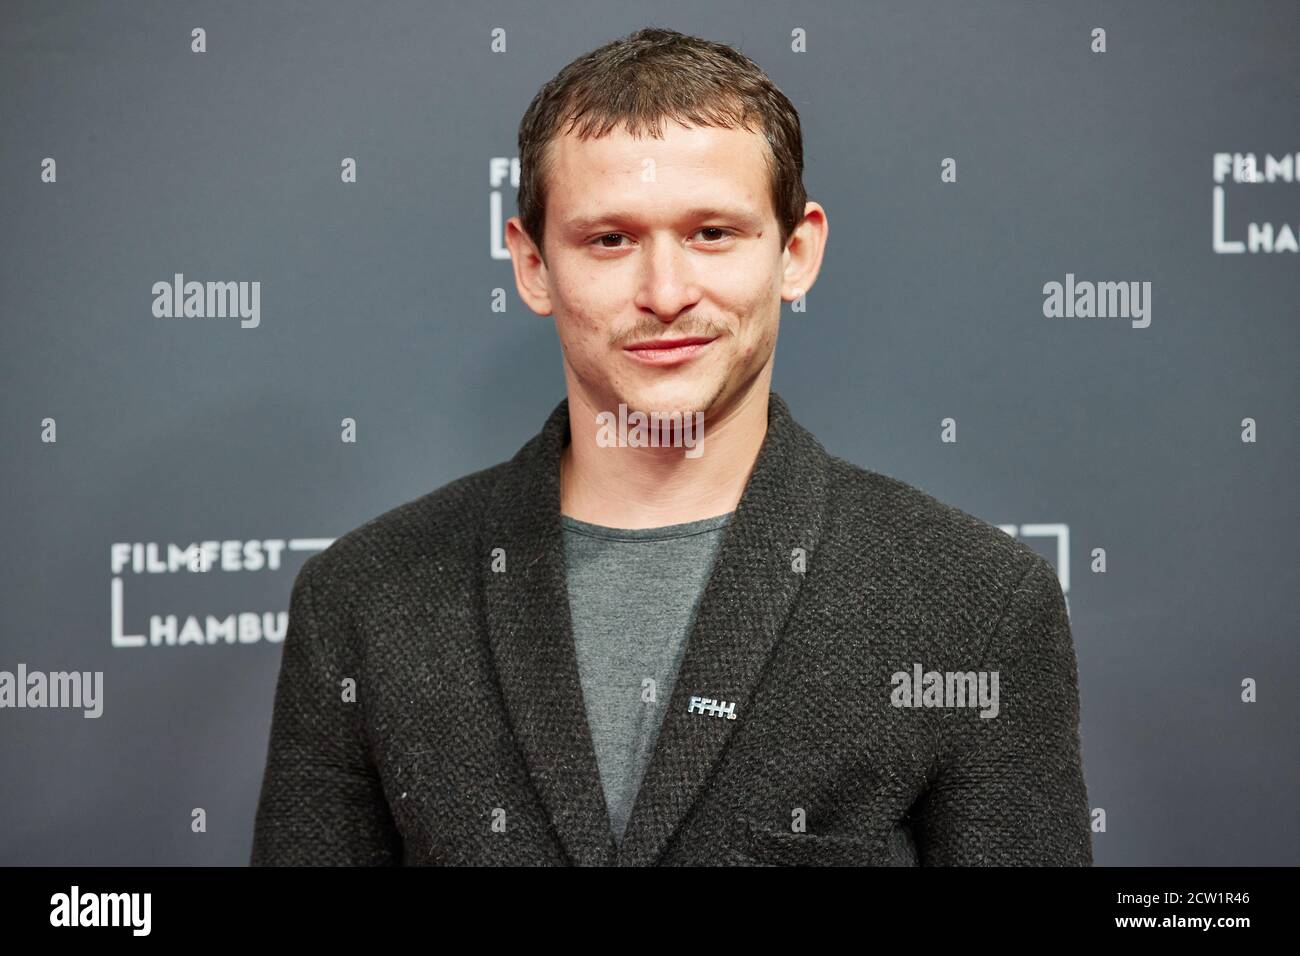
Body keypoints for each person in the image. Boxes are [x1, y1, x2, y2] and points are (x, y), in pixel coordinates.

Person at [250, 26, 1091, 866]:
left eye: (712, 234)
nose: (665, 293)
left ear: (796, 254)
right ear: (533, 265)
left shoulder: (973, 602)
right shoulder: (365, 599)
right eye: (610, 240)